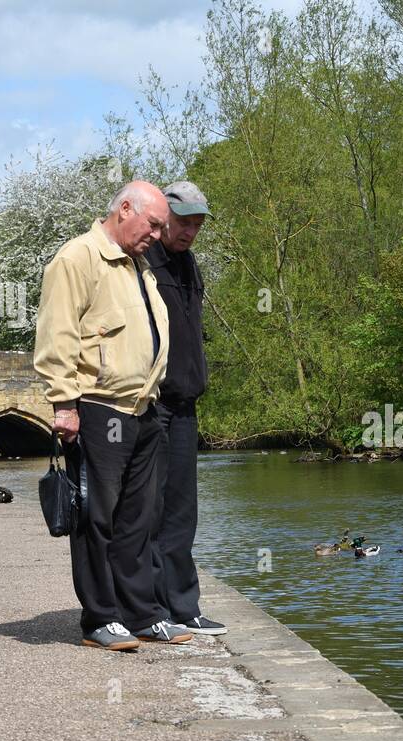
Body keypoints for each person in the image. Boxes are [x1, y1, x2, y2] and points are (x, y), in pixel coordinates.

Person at [33, 180, 194, 651]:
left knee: (140, 520)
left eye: (164, 227)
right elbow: (57, 334)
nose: (160, 234)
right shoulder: (77, 258)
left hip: (143, 408)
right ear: (125, 209)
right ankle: (100, 619)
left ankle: (143, 613)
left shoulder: (137, 264)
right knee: (96, 520)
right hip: (99, 407)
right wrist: (64, 402)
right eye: (154, 224)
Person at [143, 181, 226, 637]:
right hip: (152, 403)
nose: (191, 231)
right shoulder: (143, 262)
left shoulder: (189, 263)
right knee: (149, 510)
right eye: (184, 222)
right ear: (163, 217)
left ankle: (184, 605)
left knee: (182, 511)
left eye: (198, 224)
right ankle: (151, 608)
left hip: (186, 405)